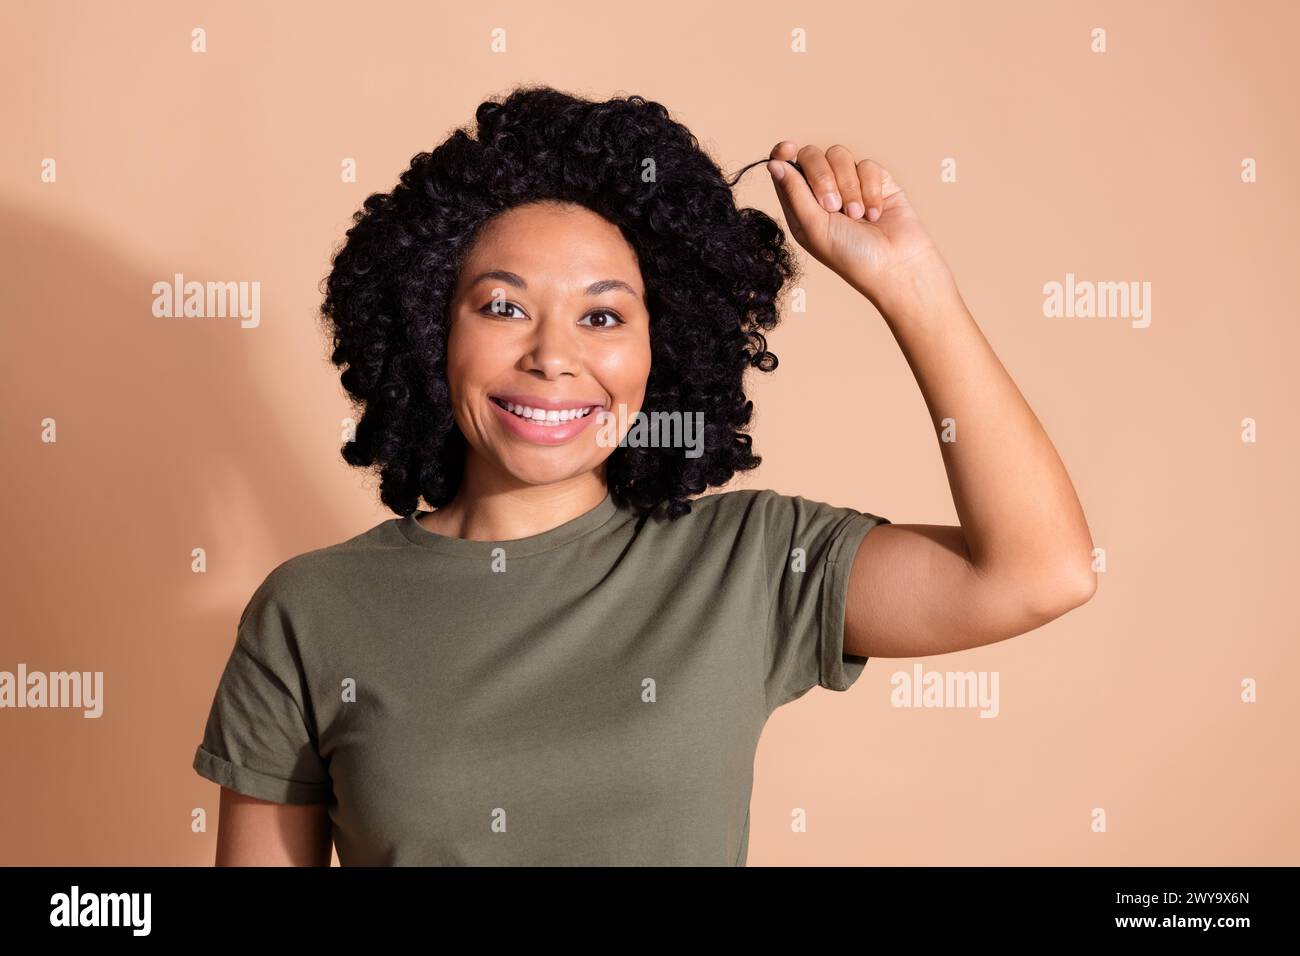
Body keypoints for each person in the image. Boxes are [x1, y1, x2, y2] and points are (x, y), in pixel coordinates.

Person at [192, 84, 1096, 866]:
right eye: (503, 306)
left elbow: (1039, 571)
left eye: (603, 317)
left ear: (661, 353)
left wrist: (911, 283)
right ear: (433, 331)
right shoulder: (311, 612)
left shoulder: (746, 567)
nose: (552, 357)